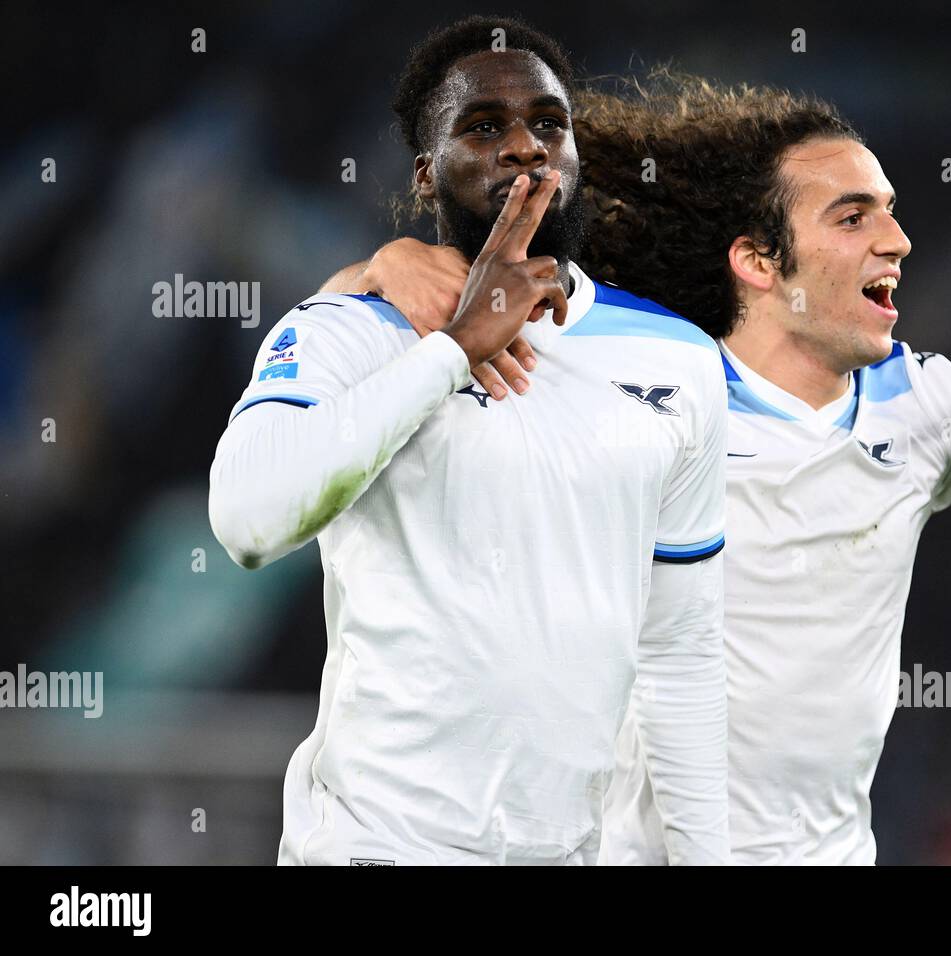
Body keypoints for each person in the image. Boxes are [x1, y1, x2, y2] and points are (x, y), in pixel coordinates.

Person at [326, 73, 951, 864]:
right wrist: (388, 266)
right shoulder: (634, 369)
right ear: (759, 262)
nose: (897, 240)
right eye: (854, 217)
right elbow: (354, 329)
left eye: (891, 212)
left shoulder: (936, 408)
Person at [209, 23, 730, 866]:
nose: (523, 145)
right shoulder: (349, 328)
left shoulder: (677, 359)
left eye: (547, 124)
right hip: (375, 845)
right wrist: (453, 351)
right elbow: (246, 521)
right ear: (426, 174)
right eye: (482, 127)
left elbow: (682, 651)